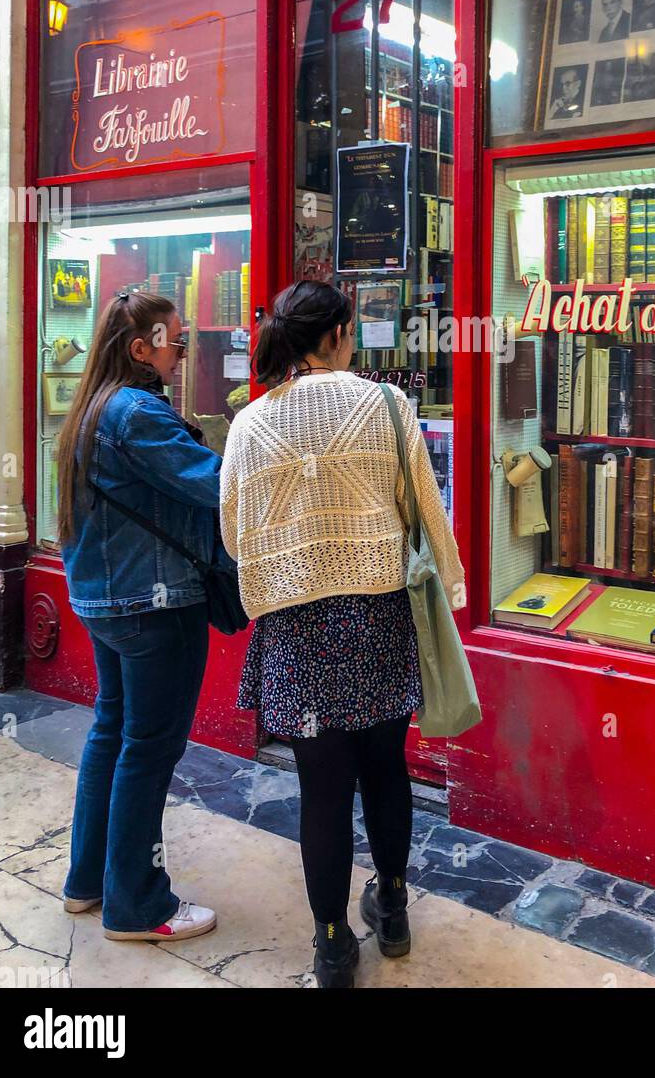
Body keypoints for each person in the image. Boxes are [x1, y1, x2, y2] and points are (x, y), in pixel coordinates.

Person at [220, 280, 465, 989]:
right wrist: (449, 590)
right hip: (380, 616)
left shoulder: (249, 423)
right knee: (386, 770)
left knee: (321, 790)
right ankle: (391, 909)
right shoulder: (385, 405)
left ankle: (331, 947)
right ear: (335, 335)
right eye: (350, 330)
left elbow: (235, 534)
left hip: (297, 625)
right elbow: (424, 508)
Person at [59, 290, 226, 943]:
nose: (183, 351)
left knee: (113, 733)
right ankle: (137, 904)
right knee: (148, 752)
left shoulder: (94, 407)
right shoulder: (136, 414)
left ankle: (88, 882)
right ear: (140, 348)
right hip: (154, 605)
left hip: (107, 601)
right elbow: (216, 485)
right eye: (175, 340)